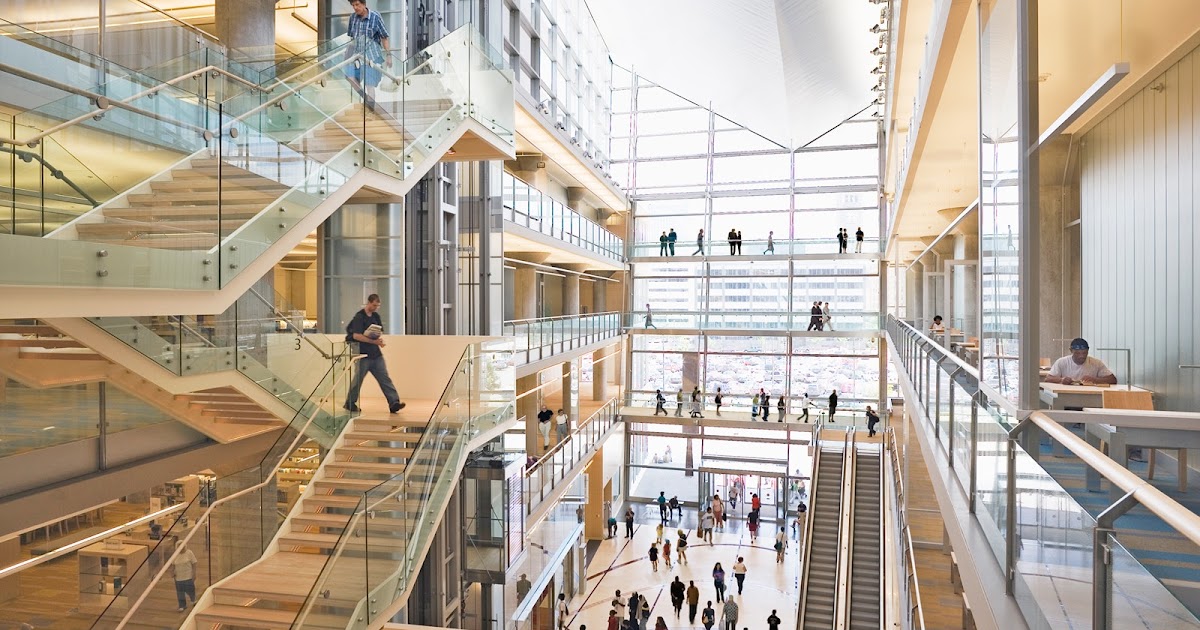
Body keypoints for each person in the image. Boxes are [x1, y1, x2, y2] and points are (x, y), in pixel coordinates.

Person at [343, 294, 405, 414]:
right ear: (369, 303)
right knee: (358, 380)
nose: (376, 308)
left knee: (385, 379)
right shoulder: (359, 317)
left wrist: (377, 339)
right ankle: (350, 403)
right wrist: (373, 341)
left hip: (375, 354)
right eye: (374, 305)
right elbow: (356, 335)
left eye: (378, 306)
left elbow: (379, 330)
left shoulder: (376, 316)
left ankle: (394, 403)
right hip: (362, 355)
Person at [345, 0, 391, 110]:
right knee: (349, 76)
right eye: (353, 5)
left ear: (364, 4)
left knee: (369, 84)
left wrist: (388, 55)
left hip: (371, 56)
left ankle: (370, 110)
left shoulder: (375, 17)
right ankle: (366, 99)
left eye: (357, 5)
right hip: (357, 56)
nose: (355, 8)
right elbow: (351, 39)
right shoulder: (353, 18)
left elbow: (384, 37)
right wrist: (347, 55)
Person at [1045, 338, 1117, 385]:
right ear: (1071, 351)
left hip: (1089, 396)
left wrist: (1095, 379)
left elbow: (1113, 380)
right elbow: (1048, 378)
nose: (1081, 356)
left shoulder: (1096, 363)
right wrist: (1061, 380)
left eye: (1084, 353)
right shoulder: (1062, 362)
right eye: (1077, 353)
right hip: (1066, 394)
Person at [171, 543, 199, 611]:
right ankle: (182, 605)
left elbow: (194, 563)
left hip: (188, 575)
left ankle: (193, 600)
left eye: (183, 547)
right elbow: (173, 564)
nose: (182, 548)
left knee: (190, 589)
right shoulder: (175, 555)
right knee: (180, 592)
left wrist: (194, 573)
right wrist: (172, 572)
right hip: (178, 577)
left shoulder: (189, 553)